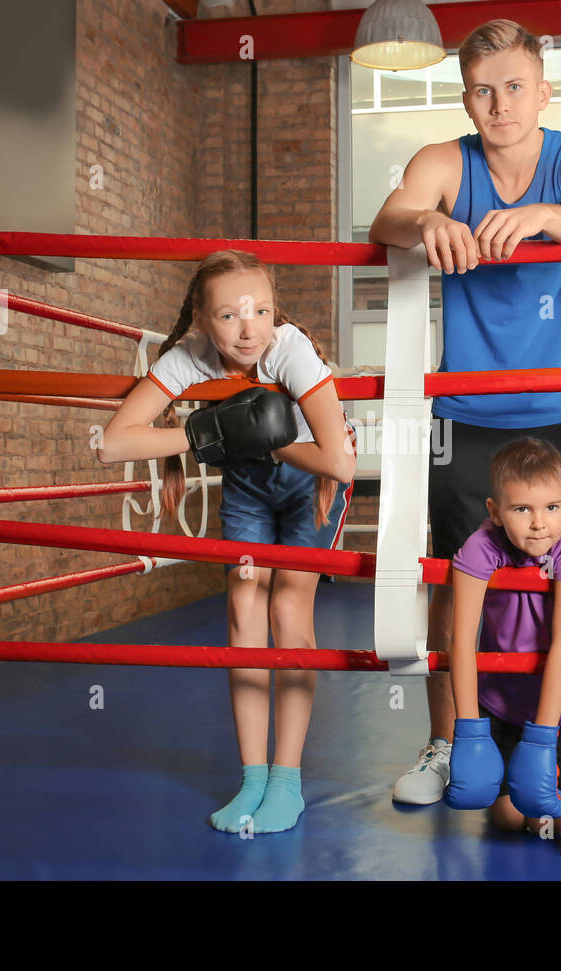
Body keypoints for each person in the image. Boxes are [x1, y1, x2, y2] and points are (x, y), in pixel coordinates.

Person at [368, 18, 561, 804]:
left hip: (558, 407)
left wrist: (544, 216)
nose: (500, 103)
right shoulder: (447, 160)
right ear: (467, 97)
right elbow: (387, 219)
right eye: (483, 89)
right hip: (466, 409)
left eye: (515, 86)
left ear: (542, 91)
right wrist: (430, 222)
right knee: (456, 577)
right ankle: (447, 742)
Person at [98, 250, 356, 834]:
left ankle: (287, 782)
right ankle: (253, 779)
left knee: (289, 612)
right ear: (201, 319)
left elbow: (338, 460)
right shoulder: (189, 357)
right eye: (230, 316)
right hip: (245, 484)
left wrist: (268, 437)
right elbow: (113, 443)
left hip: (308, 481)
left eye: (261, 310)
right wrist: (203, 433)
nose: (249, 330)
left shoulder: (289, 349)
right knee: (243, 610)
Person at [443, 439, 561, 835]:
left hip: (558, 711)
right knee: (507, 820)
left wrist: (543, 739)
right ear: (495, 511)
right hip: (500, 704)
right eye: (522, 509)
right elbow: (461, 641)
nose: (539, 523)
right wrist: (469, 729)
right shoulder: (481, 546)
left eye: (552, 508)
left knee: (550, 824)